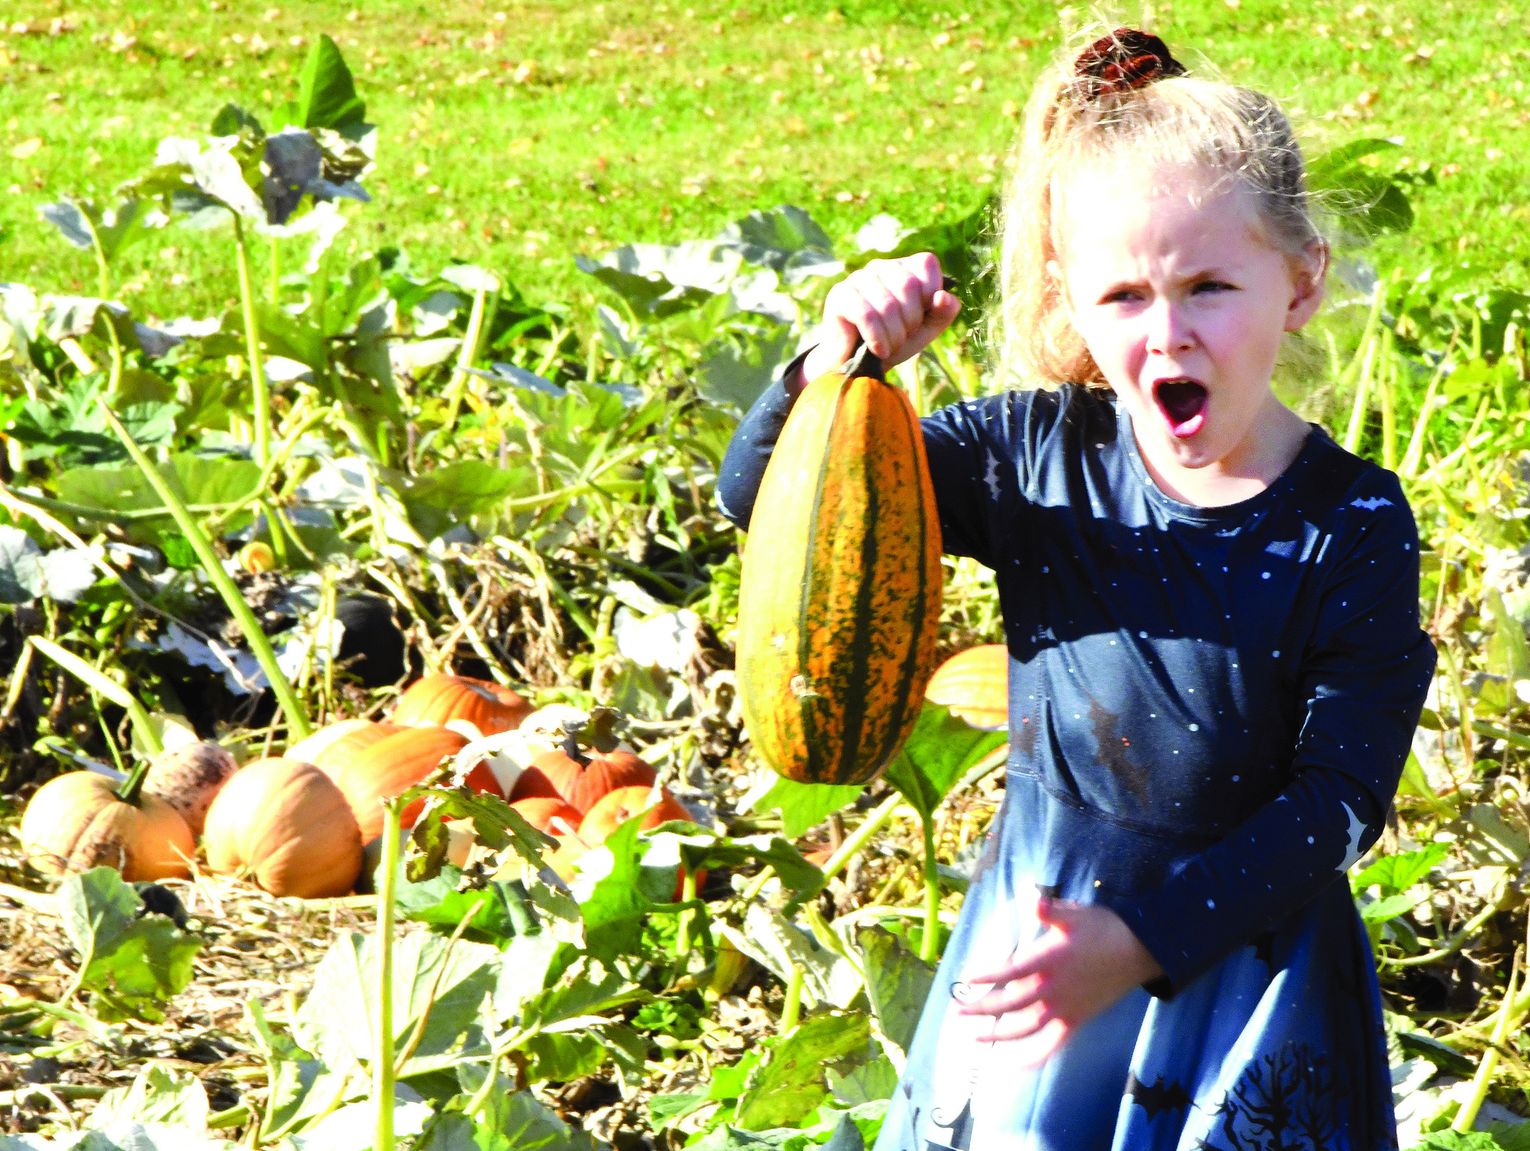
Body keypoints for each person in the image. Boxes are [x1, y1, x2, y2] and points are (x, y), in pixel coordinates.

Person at [715, 25, 1436, 1151]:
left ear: (1300, 281)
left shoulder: (1351, 522)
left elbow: (1336, 804)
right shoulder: (1032, 461)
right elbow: (766, 504)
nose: (1167, 332)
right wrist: (837, 363)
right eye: (1124, 298)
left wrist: (1138, 939)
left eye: (1208, 286)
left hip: (1244, 970)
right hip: (1045, 942)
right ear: (1075, 309)